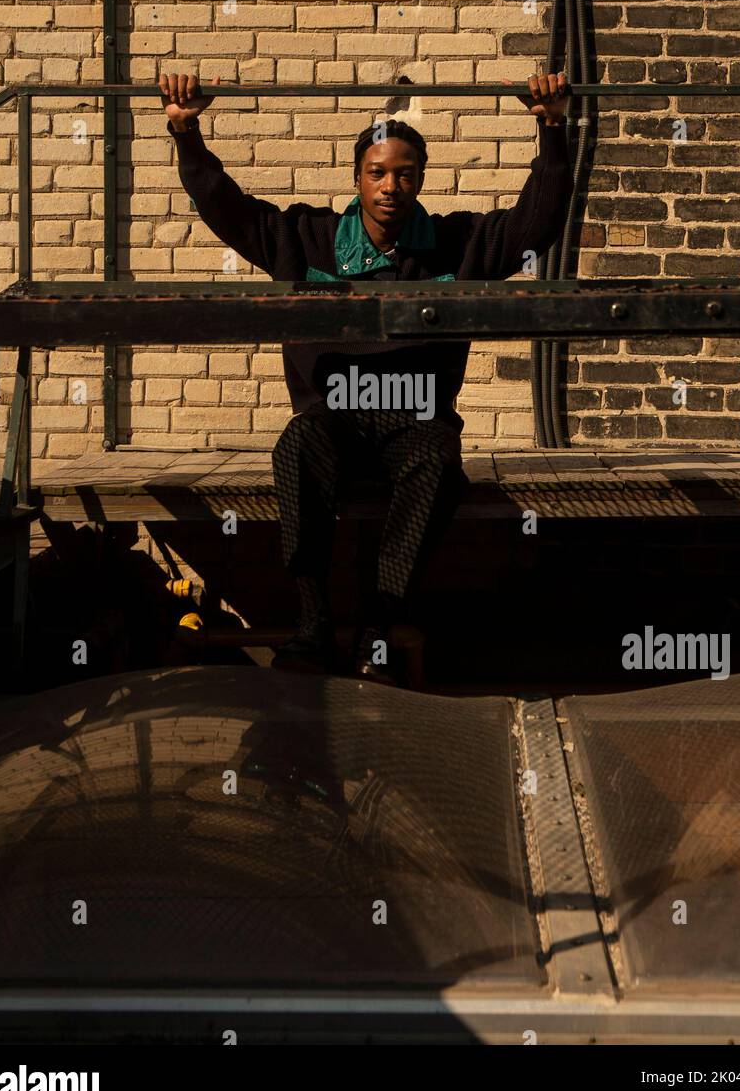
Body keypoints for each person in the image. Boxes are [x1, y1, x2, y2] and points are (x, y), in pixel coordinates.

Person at [160, 68, 572, 685]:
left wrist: (553, 125)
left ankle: (378, 632)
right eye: (377, 172)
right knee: (296, 446)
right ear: (357, 179)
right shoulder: (307, 238)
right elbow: (228, 210)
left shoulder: (458, 244)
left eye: (404, 173)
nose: (390, 186)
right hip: (335, 423)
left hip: (416, 424)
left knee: (439, 459)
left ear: (420, 181)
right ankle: (312, 624)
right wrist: (186, 131)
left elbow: (535, 222)